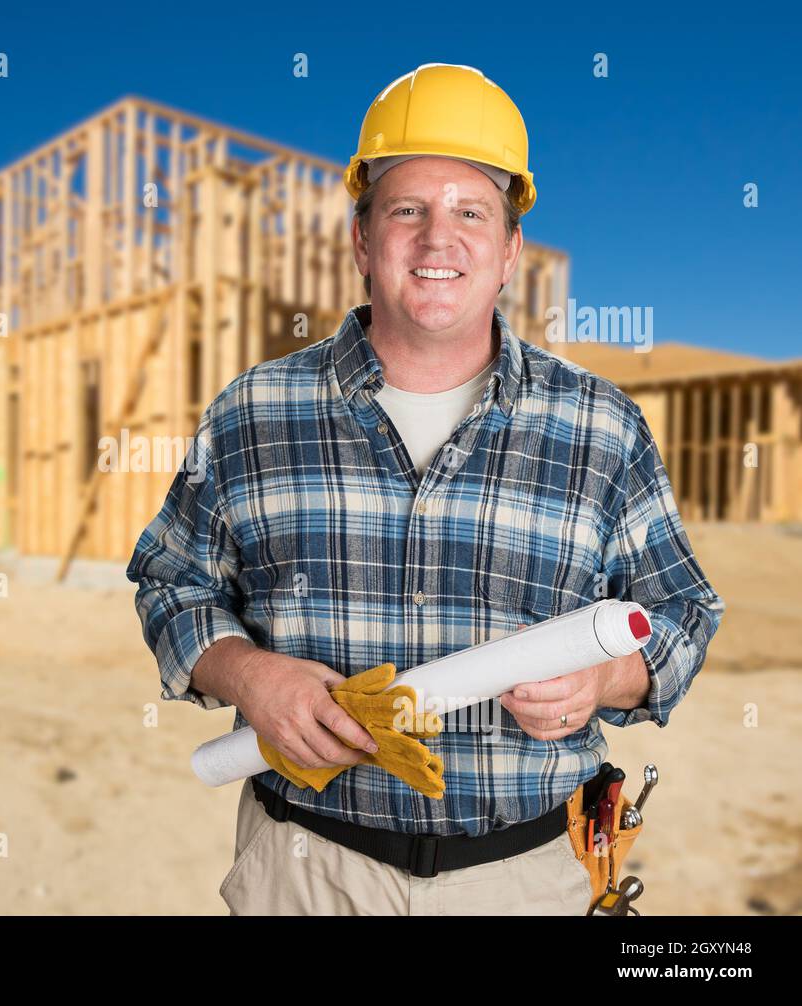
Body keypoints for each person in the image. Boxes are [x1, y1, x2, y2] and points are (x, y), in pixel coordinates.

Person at [126, 63, 724, 915]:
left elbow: (685, 613)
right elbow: (171, 582)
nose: (438, 238)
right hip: (306, 869)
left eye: (471, 211)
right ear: (363, 240)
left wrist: (607, 678)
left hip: (526, 878)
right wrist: (251, 676)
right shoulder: (253, 413)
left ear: (510, 250)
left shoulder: (602, 427)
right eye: (407, 209)